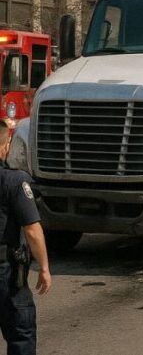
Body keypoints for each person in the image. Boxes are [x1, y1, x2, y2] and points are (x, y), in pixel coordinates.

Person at [0, 119, 51, 355]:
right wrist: (44, 268)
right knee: (21, 333)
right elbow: (32, 229)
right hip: (5, 274)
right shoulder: (14, 181)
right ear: (5, 146)